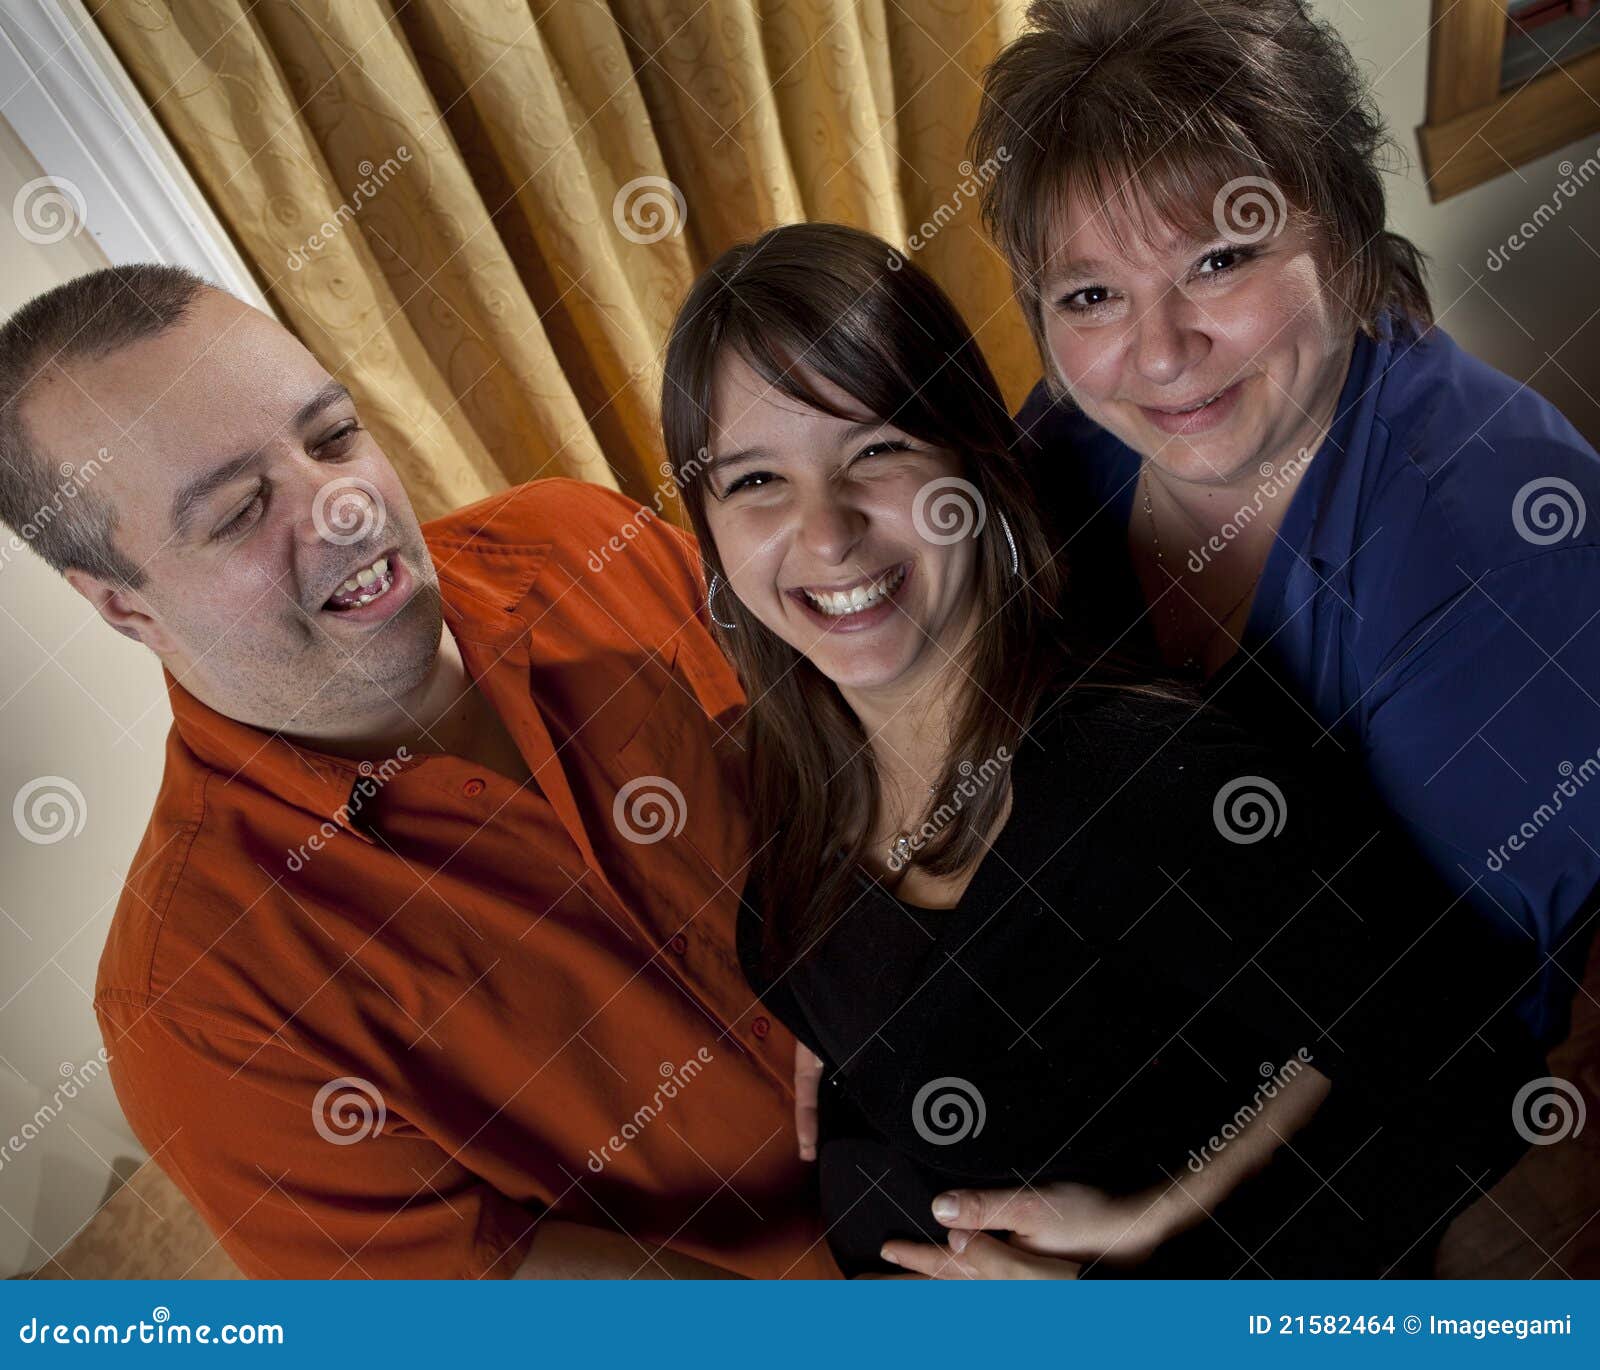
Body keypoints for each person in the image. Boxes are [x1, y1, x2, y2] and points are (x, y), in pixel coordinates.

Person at [659, 220, 1542, 1279]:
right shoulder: (791, 868)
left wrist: (1152, 1246)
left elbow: (1464, 1084)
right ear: (706, 531)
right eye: (755, 481)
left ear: (971, 468)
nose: (828, 532)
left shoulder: (1142, 780)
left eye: (877, 450)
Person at [0, 265, 838, 1279]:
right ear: (124, 605)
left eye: (331, 435)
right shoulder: (194, 1006)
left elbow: (876, 768)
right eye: (238, 511)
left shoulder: (580, 536)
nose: (345, 509)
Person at [970, 0, 1600, 1049]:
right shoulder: (1075, 435)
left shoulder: (1503, 558)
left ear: (1343, 241)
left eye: (1219, 260)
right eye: (1089, 294)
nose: (1160, 354)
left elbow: (1450, 1015)